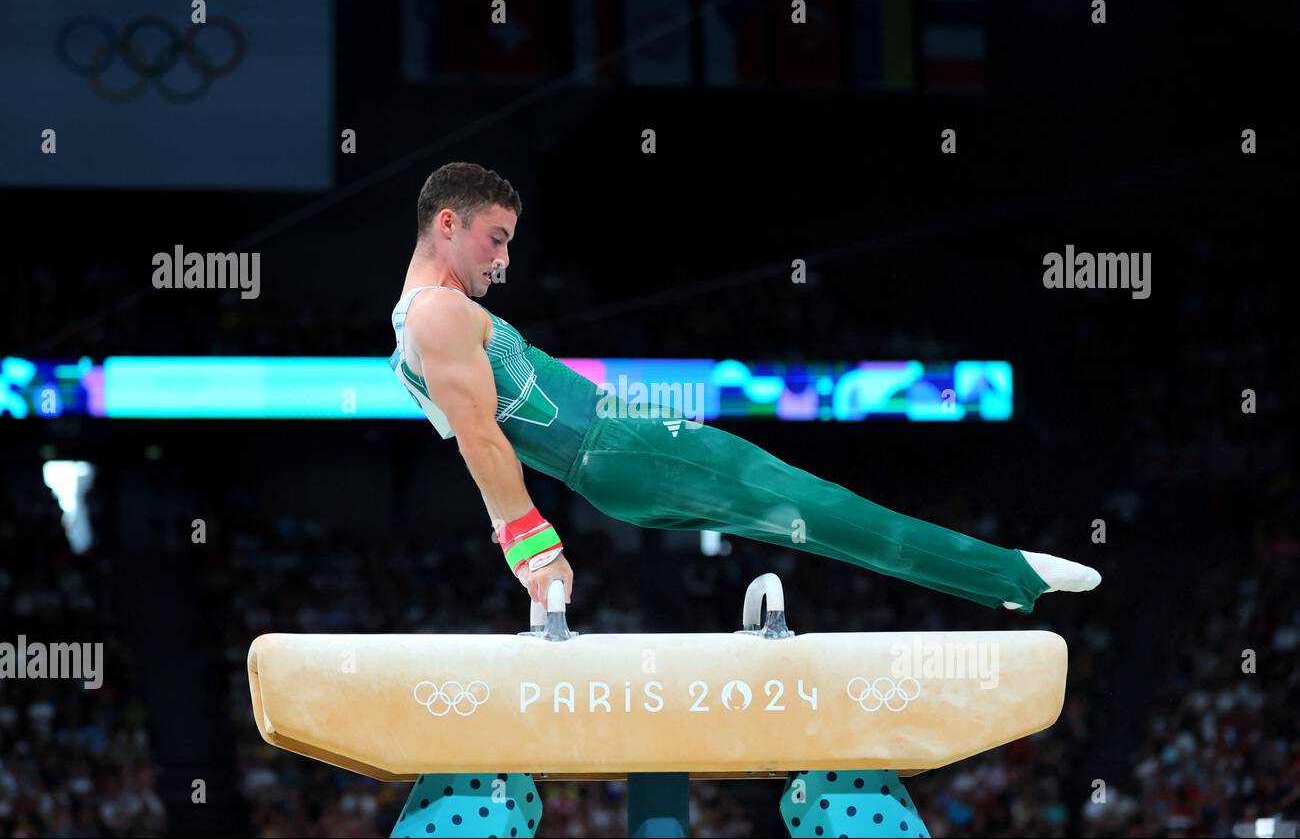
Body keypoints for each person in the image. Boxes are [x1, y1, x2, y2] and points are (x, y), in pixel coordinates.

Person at [389, 162, 1100, 615]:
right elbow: (480, 437)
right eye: (496, 238)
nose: (506, 259)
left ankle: (994, 582)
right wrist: (534, 551)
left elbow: (479, 431)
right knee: (821, 506)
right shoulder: (441, 313)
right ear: (447, 223)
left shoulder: (407, 334)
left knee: (813, 519)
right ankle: (1008, 576)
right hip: (627, 447)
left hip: (613, 472)